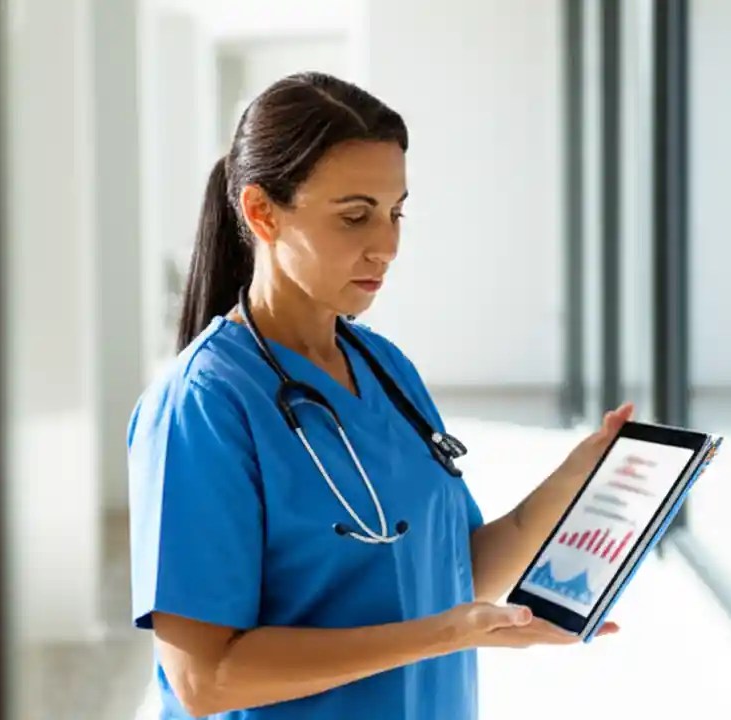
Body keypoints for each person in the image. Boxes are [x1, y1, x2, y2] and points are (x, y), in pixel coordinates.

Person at [127, 71, 633, 719]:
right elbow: (206, 679)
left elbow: (450, 576)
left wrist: (575, 477)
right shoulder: (202, 405)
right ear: (262, 212)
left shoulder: (384, 368)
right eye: (355, 216)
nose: (387, 245)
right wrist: (452, 633)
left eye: (396, 213)